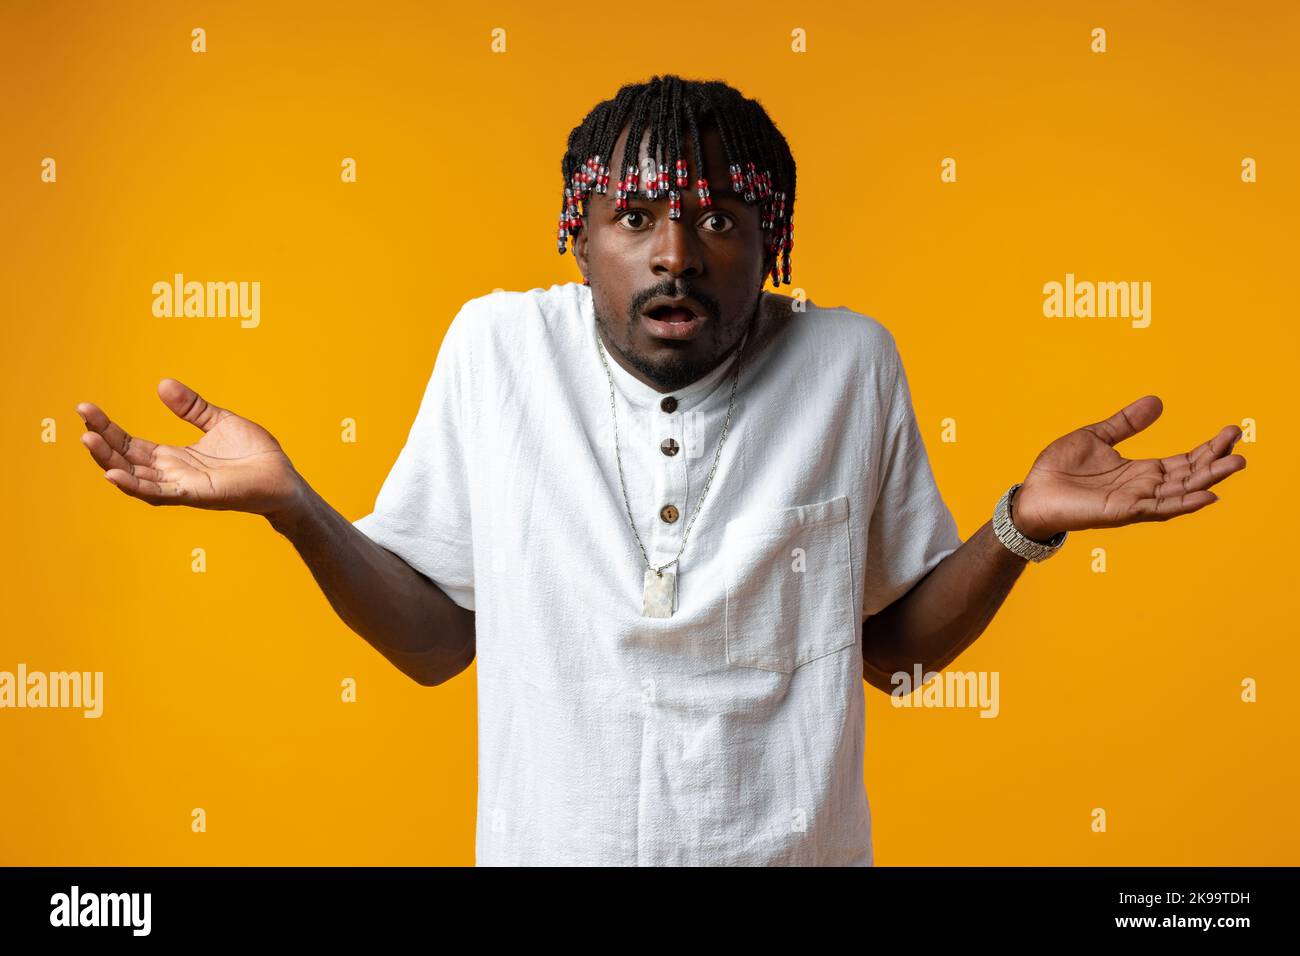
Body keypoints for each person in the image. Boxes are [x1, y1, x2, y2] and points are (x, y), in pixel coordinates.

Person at [76, 75, 1248, 866]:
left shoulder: (847, 361)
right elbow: (438, 644)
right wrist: (295, 508)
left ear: (772, 240)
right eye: (635, 216)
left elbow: (891, 653)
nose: (677, 252)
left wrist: (1019, 523)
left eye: (724, 219)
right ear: (576, 234)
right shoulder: (496, 348)